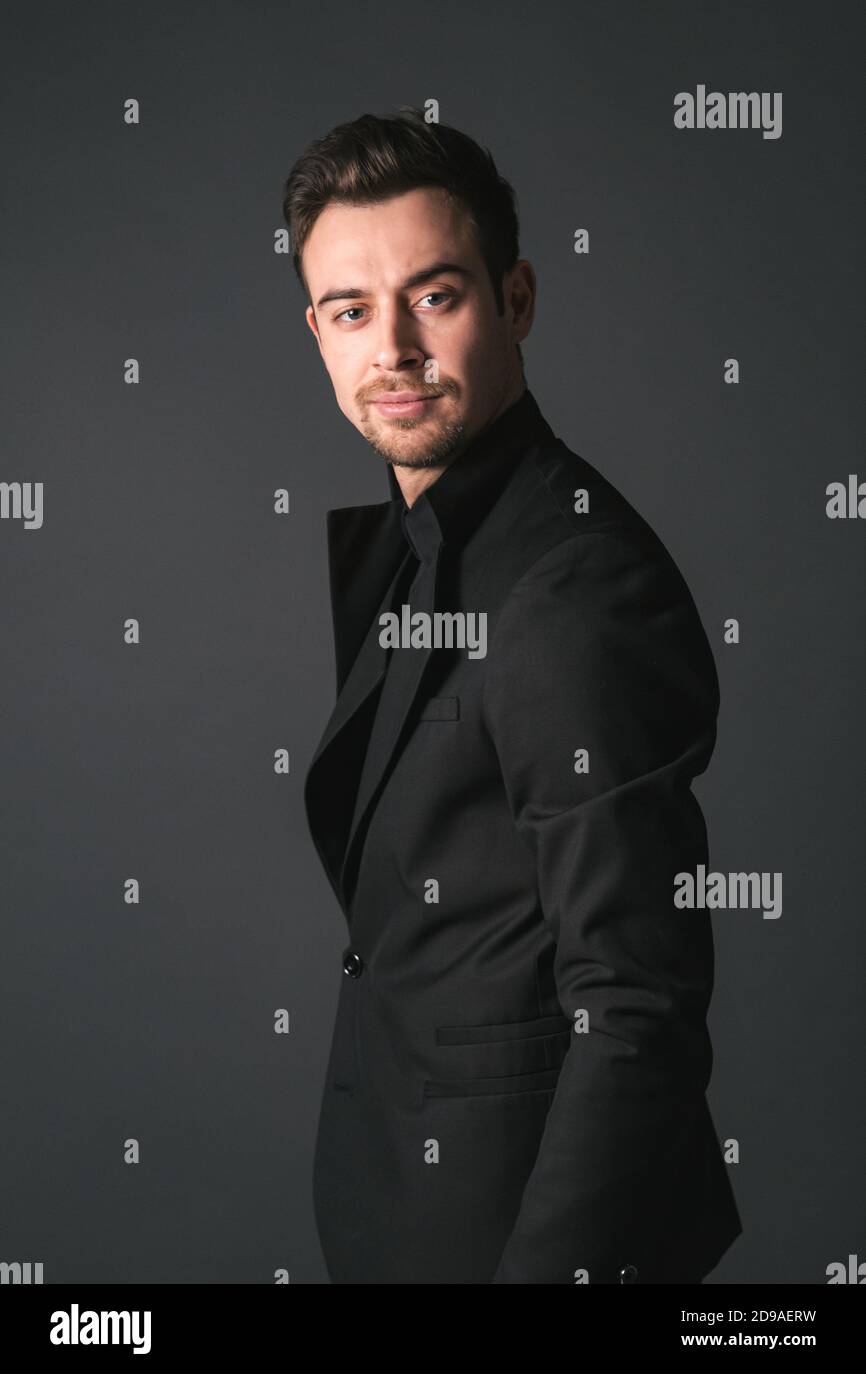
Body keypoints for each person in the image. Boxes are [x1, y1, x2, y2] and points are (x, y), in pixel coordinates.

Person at [283, 107, 742, 1284]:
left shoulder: (573, 585)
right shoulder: (433, 542)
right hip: (414, 1211)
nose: (391, 347)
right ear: (318, 334)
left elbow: (634, 1003)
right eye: (349, 310)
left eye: (433, 296)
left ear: (516, 300)